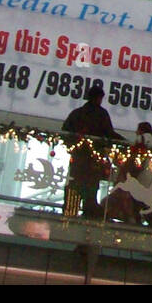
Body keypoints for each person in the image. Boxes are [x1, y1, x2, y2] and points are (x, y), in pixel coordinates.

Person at [61, 81, 122, 218]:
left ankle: (70, 213)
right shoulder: (101, 114)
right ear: (99, 98)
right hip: (94, 160)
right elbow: (109, 133)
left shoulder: (77, 113)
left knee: (75, 184)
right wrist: (124, 141)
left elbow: (65, 131)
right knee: (91, 187)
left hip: (78, 158)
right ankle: (89, 214)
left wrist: (74, 145)